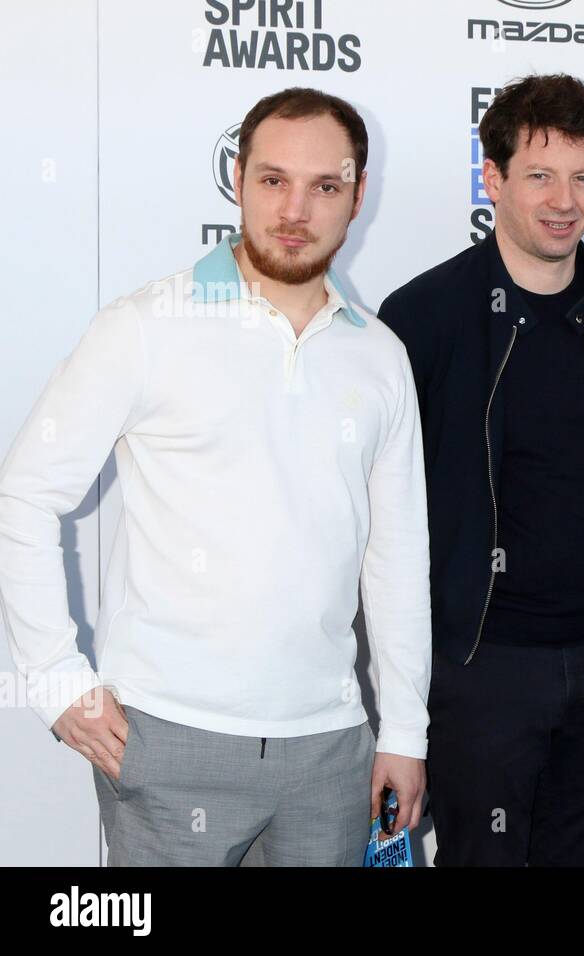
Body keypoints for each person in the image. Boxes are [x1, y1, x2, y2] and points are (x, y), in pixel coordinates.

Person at [0, 87, 431, 866]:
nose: (295, 209)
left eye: (325, 186)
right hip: (166, 739)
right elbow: (26, 494)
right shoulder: (146, 326)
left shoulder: (380, 356)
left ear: (357, 196)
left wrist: (402, 730)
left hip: (331, 749)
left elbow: (397, 557)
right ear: (238, 180)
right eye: (273, 180)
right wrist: (56, 681)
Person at [378, 74, 584, 866]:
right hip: (480, 664)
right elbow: (385, 512)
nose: (565, 200)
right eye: (540, 175)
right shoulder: (420, 318)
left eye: (583, 177)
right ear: (493, 179)